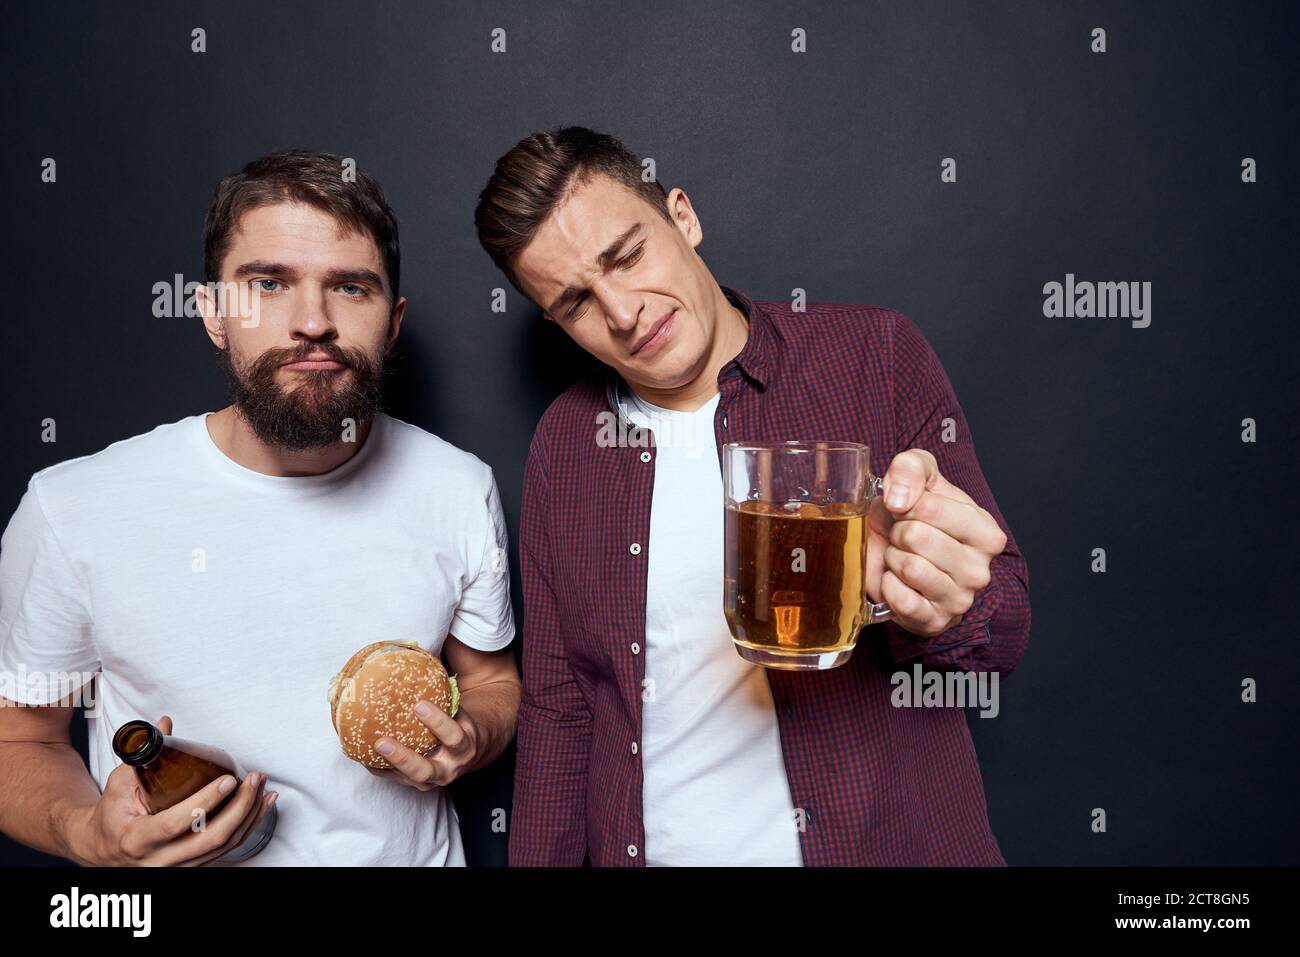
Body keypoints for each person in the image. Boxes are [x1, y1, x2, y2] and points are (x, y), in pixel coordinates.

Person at [475, 126, 1031, 866]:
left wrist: (936, 598)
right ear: (555, 321)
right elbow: (558, 707)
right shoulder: (565, 447)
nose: (622, 311)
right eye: (577, 301)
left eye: (628, 254)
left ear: (683, 216)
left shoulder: (875, 356)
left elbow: (1005, 632)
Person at [0, 150, 520, 865]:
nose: (312, 321)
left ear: (392, 321)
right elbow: (18, 739)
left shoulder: (457, 486)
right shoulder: (72, 507)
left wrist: (472, 739)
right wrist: (87, 831)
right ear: (213, 311)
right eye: (268, 283)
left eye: (350, 287)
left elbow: (492, 681)